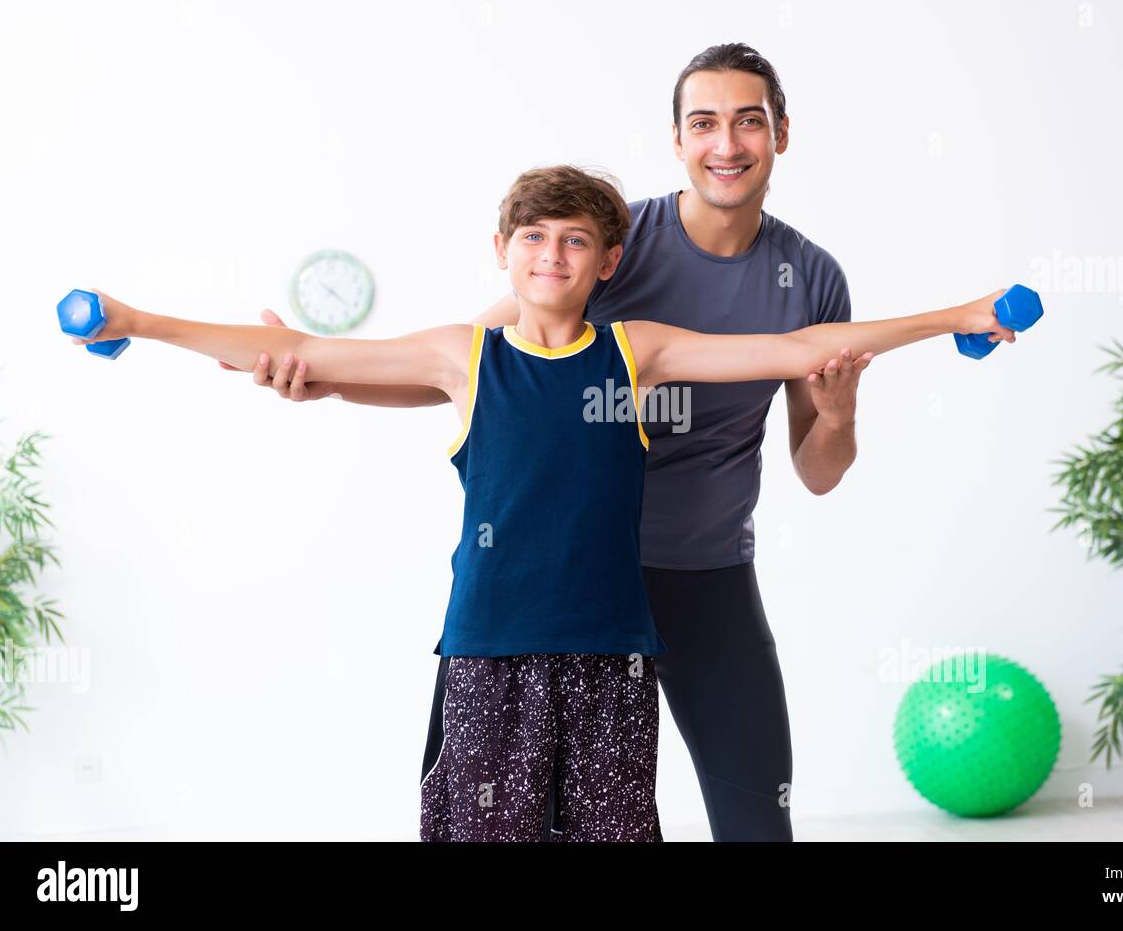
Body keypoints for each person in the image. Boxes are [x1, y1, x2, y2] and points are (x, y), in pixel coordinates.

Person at [218, 45, 992, 841]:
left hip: (704, 572)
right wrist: (329, 373)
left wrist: (862, 395)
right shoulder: (613, 236)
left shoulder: (809, 276)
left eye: (748, 122)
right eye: (704, 123)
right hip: (556, 586)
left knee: (753, 820)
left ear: (781, 134)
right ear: (677, 138)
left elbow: (819, 468)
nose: (725, 144)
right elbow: (481, 370)